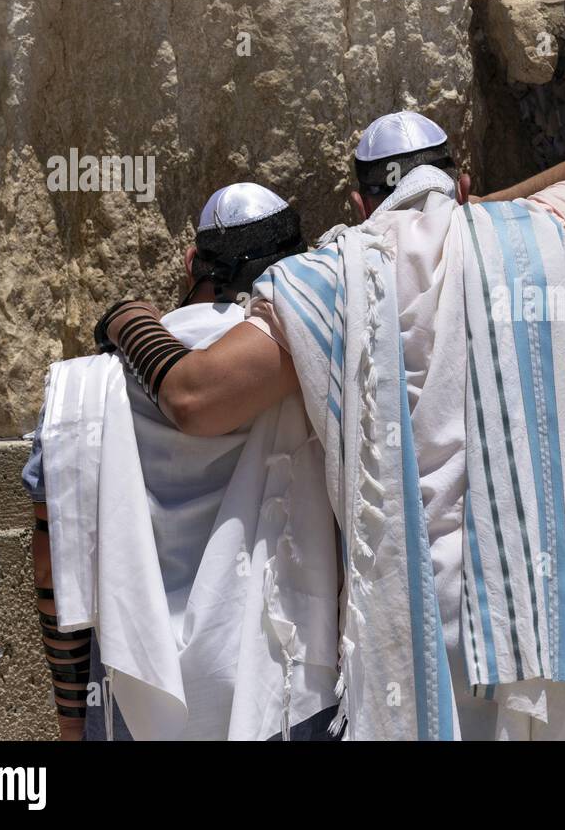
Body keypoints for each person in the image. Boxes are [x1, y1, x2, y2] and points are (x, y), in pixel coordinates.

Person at [93, 111, 565, 740]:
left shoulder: (328, 282)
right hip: (531, 618)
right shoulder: (544, 230)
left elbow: (192, 395)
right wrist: (461, 215)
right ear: (464, 181)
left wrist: (127, 318)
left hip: (414, 624)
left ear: (359, 201)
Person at [24, 183, 342, 741]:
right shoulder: (310, 367)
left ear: (192, 261)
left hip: (134, 697)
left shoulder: (86, 392)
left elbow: (56, 569)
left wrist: (73, 720)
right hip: (285, 695)